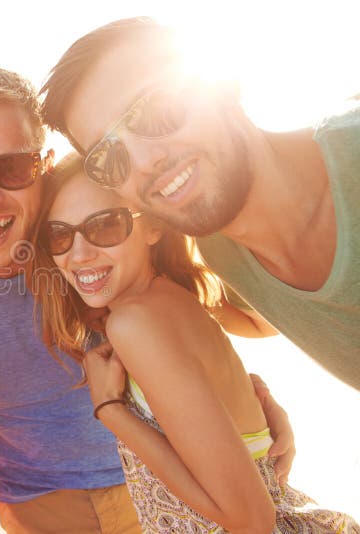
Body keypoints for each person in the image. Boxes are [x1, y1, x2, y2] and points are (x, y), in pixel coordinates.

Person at [0, 65, 298, 534]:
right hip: (38, 503)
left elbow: (221, 322)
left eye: (11, 167)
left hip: (158, 478)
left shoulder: (89, 239)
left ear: (43, 164)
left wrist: (249, 405)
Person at [31, 152, 358, 532]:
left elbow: (252, 520)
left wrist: (110, 409)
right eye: (59, 234)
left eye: (105, 226)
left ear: (153, 228)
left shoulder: (134, 323)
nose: (79, 254)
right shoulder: (169, 301)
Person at [40, 16, 360, 390]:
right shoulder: (223, 253)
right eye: (108, 156)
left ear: (222, 85)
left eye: (155, 111)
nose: (144, 162)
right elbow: (256, 323)